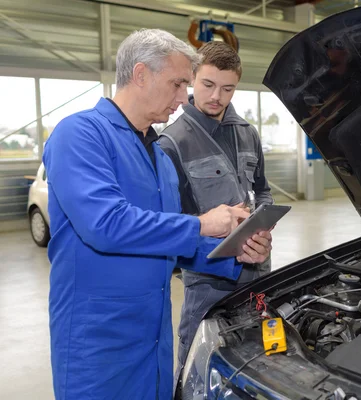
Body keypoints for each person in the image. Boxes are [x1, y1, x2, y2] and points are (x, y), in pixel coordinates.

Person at [42, 29, 268, 400]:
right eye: (178, 84)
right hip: (98, 340)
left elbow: (170, 242)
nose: (184, 99)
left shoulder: (158, 158)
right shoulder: (80, 135)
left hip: (154, 335)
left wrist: (237, 252)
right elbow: (106, 224)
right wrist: (201, 222)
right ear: (141, 74)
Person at [158, 41, 274, 381]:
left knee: (261, 362)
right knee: (198, 369)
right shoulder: (171, 143)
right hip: (208, 283)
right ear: (192, 78)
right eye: (208, 85)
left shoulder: (248, 134)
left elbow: (263, 190)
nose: (216, 97)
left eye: (228, 88)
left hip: (261, 270)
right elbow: (169, 224)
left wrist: (264, 226)